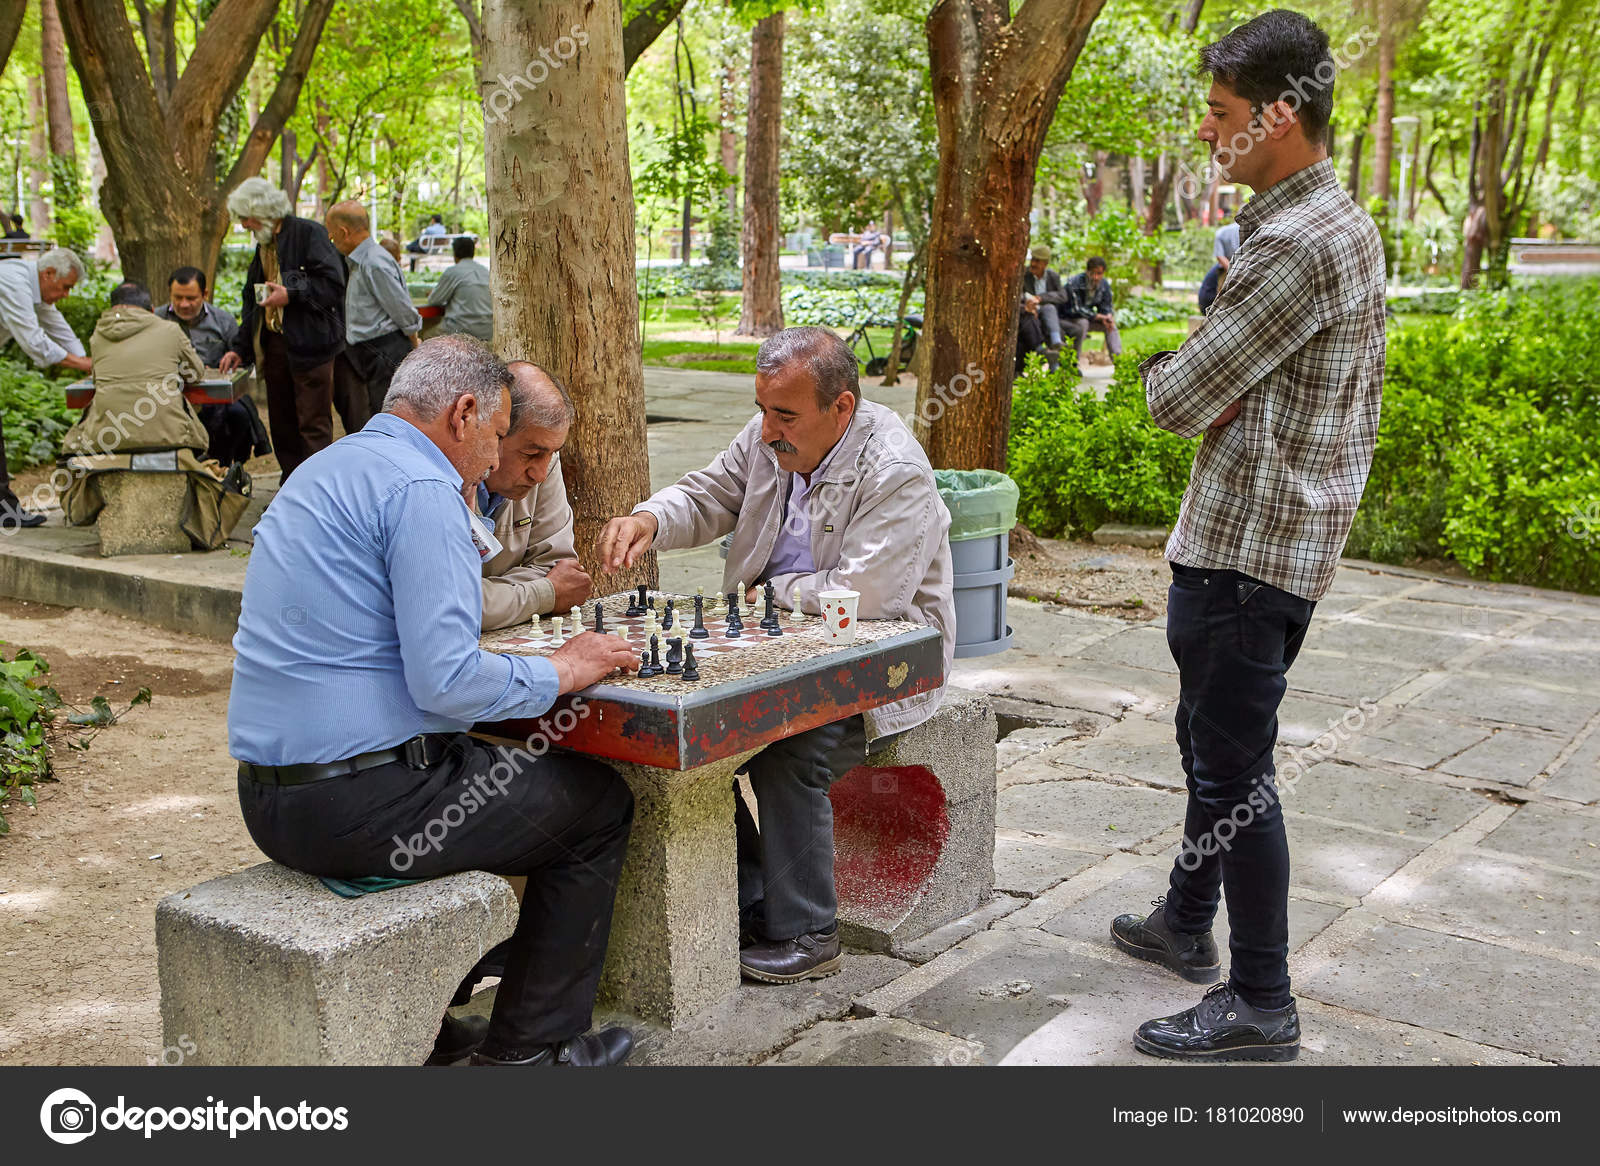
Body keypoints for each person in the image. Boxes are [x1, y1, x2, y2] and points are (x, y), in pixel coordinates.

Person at [230, 335, 640, 1067]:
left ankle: (438, 1018)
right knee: (598, 806)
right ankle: (531, 1056)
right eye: (495, 432)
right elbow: (447, 680)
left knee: (496, 769)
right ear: (463, 413)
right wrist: (567, 669)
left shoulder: (328, 467)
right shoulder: (423, 490)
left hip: (267, 802)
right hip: (359, 807)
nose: (493, 458)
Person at [1112, 9, 1386, 1063]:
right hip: (1281, 540)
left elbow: (1178, 398)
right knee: (1212, 744)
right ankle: (1185, 918)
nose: (1204, 135)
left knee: (1234, 773)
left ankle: (1262, 999)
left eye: (1219, 117)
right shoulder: (1336, 224)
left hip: (1245, 550)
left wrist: (1180, 357)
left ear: (1276, 116)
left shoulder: (1287, 249)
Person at [597, 326, 955, 984]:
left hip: (879, 657)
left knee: (794, 751)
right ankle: (756, 898)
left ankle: (810, 933)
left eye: (783, 414)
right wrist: (650, 518)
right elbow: (709, 494)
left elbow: (863, 595)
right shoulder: (771, 433)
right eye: (763, 410)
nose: (767, 430)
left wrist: (770, 592)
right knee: (682, 735)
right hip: (780, 639)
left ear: (841, 409)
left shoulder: (895, 468)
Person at [218, 176, 346, 483]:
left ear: (261, 211)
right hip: (274, 348)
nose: (244, 225)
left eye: (245, 218)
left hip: (311, 349)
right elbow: (252, 299)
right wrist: (239, 347)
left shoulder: (308, 233)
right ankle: (291, 490)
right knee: (282, 425)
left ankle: (317, 496)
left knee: (312, 426)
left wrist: (290, 292)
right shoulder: (264, 244)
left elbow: (332, 281)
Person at [475, 362, 591, 630]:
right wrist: (545, 594)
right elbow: (458, 604)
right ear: (494, 435)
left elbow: (557, 569)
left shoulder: (546, 461)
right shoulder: (441, 480)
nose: (540, 474)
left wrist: (490, 597)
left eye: (552, 453)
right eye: (531, 454)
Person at [0, 247, 91, 528]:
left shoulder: (33, 284)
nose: (66, 295)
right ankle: (5, 511)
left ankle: (5, 510)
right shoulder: (12, 282)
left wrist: (89, 361)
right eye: (65, 287)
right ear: (49, 274)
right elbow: (34, 341)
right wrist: (84, 365)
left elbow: (58, 327)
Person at [62, 281, 207, 456]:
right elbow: (196, 373)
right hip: (169, 433)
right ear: (152, 310)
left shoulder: (97, 336)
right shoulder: (171, 330)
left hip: (105, 436)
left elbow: (97, 378)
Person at [326, 199, 422, 427]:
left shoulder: (374, 262)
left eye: (332, 237)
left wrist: (414, 343)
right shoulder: (360, 261)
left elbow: (403, 311)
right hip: (367, 352)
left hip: (385, 349)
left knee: (388, 418)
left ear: (343, 232)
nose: (333, 242)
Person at [155, 266, 263, 466]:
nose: (184, 304)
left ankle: (221, 466)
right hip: (169, 394)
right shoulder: (156, 320)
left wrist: (233, 360)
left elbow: (243, 361)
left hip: (216, 396)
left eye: (191, 298)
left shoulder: (223, 321)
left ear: (205, 294)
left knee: (239, 416)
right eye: (177, 298)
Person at [427, 235, 493, 342]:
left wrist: (433, 293)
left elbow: (433, 300)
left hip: (460, 329)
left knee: (426, 336)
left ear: (455, 254)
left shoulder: (453, 271)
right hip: (487, 330)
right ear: (473, 252)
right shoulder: (485, 271)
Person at [1062, 256, 1123, 358]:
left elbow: (1106, 305)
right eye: (1093, 273)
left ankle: (1119, 361)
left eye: (1099, 274)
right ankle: (1073, 362)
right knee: (1083, 323)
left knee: (1111, 326)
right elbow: (1076, 309)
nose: (1096, 277)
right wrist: (1099, 316)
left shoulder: (1104, 284)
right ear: (1087, 271)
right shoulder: (1074, 283)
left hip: (1089, 318)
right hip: (1069, 319)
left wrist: (1108, 316)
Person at [1020, 244, 1067, 351]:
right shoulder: (1024, 275)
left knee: (1049, 308)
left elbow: (1062, 296)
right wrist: (1028, 307)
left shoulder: (1053, 276)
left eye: (1037, 261)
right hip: (1029, 315)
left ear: (1045, 263)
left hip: (1050, 316)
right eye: (1032, 260)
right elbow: (1019, 297)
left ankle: (1056, 342)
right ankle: (1047, 348)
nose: (1032, 263)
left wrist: (1040, 298)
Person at [1197, 213, 1240, 312]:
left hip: (1229, 267)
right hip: (1229, 270)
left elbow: (1219, 256)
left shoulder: (1222, 232)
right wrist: (1236, 270)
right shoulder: (1254, 231)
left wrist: (1233, 269)